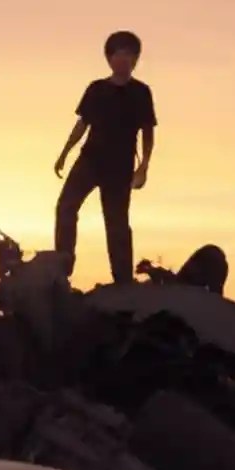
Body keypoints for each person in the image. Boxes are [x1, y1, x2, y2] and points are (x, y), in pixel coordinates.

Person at [54, 30, 156, 284]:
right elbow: (82, 124)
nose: (123, 60)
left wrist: (143, 166)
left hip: (119, 168)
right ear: (109, 59)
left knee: (117, 223)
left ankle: (122, 279)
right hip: (90, 160)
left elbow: (148, 131)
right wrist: (65, 152)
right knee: (66, 206)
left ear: (135, 59)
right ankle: (63, 263)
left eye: (129, 55)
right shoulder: (96, 89)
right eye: (118, 54)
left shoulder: (141, 92)